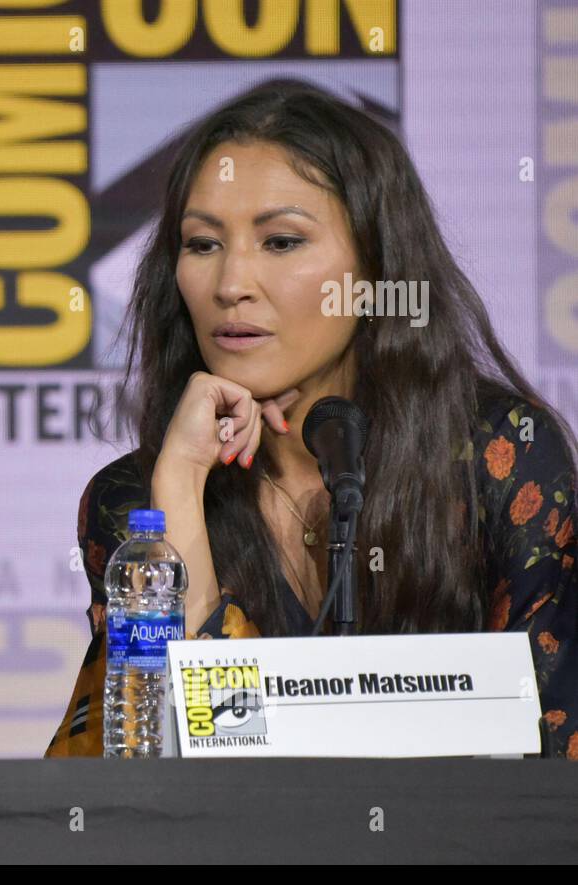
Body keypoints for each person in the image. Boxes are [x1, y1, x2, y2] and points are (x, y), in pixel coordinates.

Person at [46, 80, 578, 759]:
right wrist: (179, 486)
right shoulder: (133, 499)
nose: (231, 284)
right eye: (203, 244)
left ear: (375, 266)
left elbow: (552, 765)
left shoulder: (502, 457)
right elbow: (142, 780)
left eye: (282, 242)